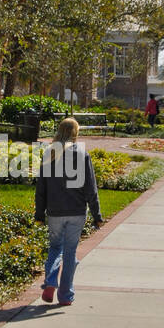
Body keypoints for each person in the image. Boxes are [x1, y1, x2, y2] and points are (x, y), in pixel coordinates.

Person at [35, 117, 103, 305]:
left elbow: (41, 189)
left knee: (55, 248)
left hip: (55, 211)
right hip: (77, 211)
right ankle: (65, 296)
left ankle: (50, 281)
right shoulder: (82, 154)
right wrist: (97, 215)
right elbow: (91, 188)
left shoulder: (49, 154)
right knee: (70, 252)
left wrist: (39, 214)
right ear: (75, 133)